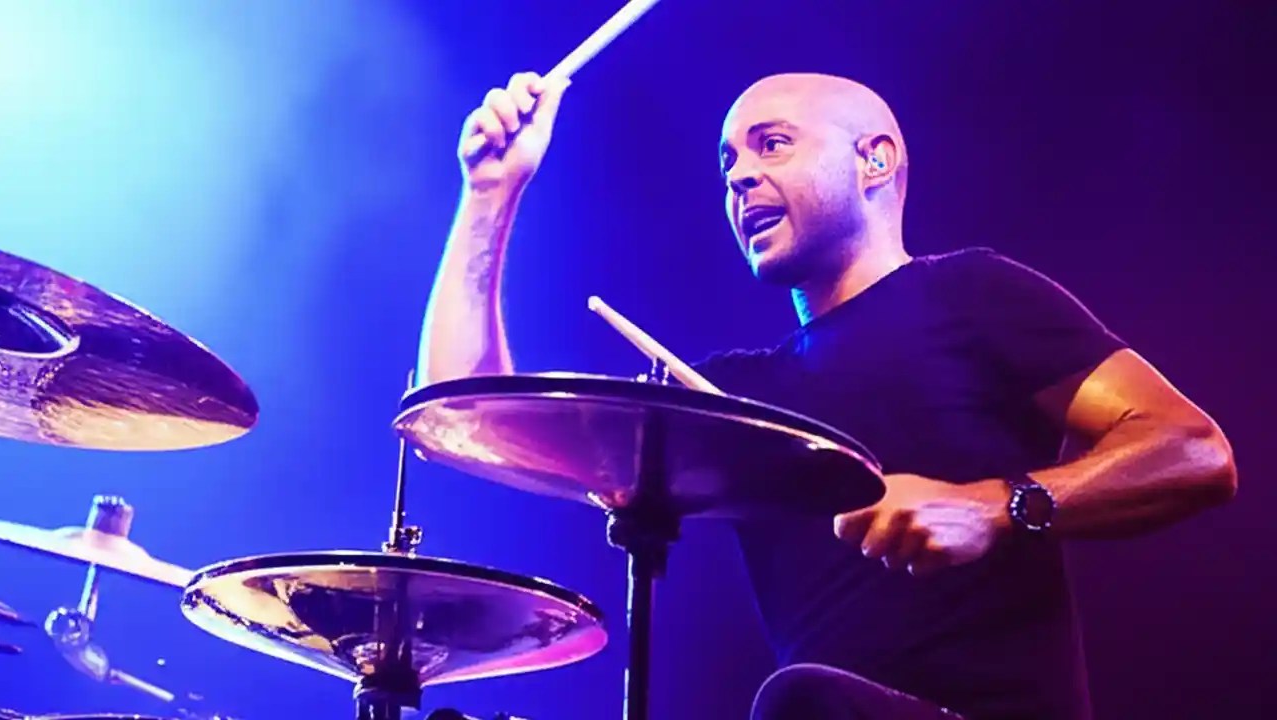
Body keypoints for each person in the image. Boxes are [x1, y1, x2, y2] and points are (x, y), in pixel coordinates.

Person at [415, 71, 1238, 720]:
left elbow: (1193, 448)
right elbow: (463, 416)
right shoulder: (740, 400)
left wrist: (996, 506)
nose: (739, 178)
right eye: (729, 163)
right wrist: (490, 195)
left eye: (771, 146)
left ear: (874, 160)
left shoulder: (974, 294)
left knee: (803, 700)